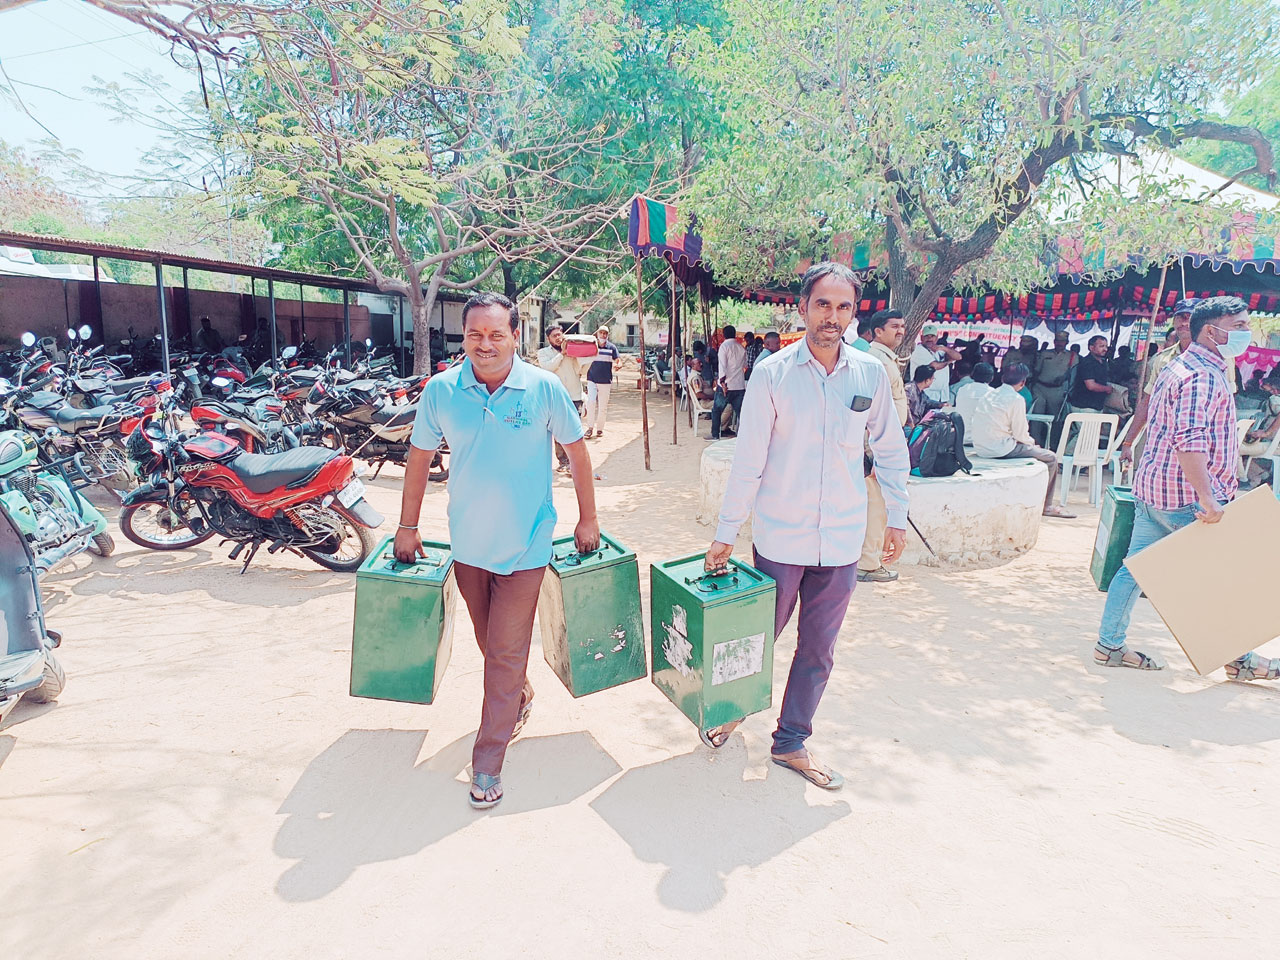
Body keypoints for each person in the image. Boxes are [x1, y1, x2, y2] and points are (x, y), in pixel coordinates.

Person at [702, 262, 910, 788]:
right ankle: (729, 707)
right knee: (756, 635)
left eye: (843, 307)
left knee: (818, 648)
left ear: (854, 313)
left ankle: (791, 741)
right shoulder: (772, 374)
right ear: (803, 307)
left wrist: (898, 517)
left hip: (841, 538)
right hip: (781, 535)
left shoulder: (868, 374)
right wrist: (727, 532)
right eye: (823, 304)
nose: (832, 317)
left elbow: (888, 447)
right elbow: (748, 460)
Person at [393, 292, 601, 809]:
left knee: (505, 652)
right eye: (475, 335)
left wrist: (588, 517)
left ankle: (487, 761)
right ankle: (519, 694)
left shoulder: (544, 387)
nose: (485, 345)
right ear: (463, 337)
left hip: (527, 547)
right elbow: (419, 458)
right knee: (493, 649)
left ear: (516, 336)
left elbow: (576, 454)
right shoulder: (442, 390)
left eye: (497, 334)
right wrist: (407, 526)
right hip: (469, 547)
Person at [1094, 296, 1276, 679]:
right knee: (1217, 575)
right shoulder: (1203, 376)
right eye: (1240, 326)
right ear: (1212, 331)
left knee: (1135, 568)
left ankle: (1109, 644)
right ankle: (1240, 659)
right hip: (1188, 499)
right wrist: (1209, 499)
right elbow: (1190, 442)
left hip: (1155, 489)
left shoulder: (1180, 366)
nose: (1246, 333)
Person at [970, 363, 1076, 518]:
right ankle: (1047, 506)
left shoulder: (990, 394)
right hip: (1000, 449)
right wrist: (1032, 444)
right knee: (1051, 458)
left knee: (1033, 450)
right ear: (1023, 383)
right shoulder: (1016, 399)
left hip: (981, 447)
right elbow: (1021, 434)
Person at [859, 308, 909, 583]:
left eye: (902, 326)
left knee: (877, 505)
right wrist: (875, 454)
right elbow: (868, 413)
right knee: (876, 507)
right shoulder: (874, 361)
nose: (900, 330)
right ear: (878, 331)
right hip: (875, 447)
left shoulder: (885, 359)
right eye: (894, 326)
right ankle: (867, 564)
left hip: (883, 445)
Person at [1121, 300, 1196, 467]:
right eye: (1180, 317)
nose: (1184, 323)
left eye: (1190, 317)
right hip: (1161, 438)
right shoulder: (1163, 359)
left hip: (1197, 443)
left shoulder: (1216, 356)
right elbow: (1147, 401)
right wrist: (1128, 443)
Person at [537, 324, 586, 473]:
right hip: (555, 397)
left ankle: (574, 462)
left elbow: (580, 370)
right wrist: (562, 354)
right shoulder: (544, 353)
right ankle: (563, 461)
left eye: (560, 334)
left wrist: (582, 355)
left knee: (575, 429)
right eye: (554, 336)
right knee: (558, 431)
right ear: (548, 338)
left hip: (575, 395)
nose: (558, 338)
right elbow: (548, 368)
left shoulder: (571, 351)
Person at [909, 324, 962, 404]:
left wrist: (944, 348)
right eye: (926, 336)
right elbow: (935, 366)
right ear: (922, 338)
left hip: (942, 395)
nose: (929, 339)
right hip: (925, 395)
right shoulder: (918, 350)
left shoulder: (939, 348)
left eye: (932, 336)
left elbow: (958, 357)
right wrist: (949, 361)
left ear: (937, 338)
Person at [710, 325, 747, 440]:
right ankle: (744, 436)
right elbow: (745, 365)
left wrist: (722, 383)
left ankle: (715, 435)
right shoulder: (741, 347)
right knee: (741, 413)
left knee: (716, 410)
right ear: (734, 334)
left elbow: (722, 367)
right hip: (739, 385)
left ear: (724, 335)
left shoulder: (724, 347)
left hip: (726, 385)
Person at [583, 325, 619, 439]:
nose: (603, 335)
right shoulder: (592, 346)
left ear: (607, 335)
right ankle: (589, 428)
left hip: (605, 381)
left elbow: (618, 360)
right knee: (591, 402)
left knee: (603, 406)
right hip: (592, 378)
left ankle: (599, 429)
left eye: (605, 333)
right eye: (601, 333)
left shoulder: (612, 348)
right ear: (597, 334)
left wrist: (619, 365)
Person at [1031, 330, 1073, 418]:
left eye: (1062, 341)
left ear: (1067, 342)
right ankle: (1035, 432)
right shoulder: (1045, 353)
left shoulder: (1072, 356)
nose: (1059, 343)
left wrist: (1064, 378)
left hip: (1057, 390)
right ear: (1054, 342)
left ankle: (1053, 432)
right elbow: (1036, 370)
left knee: (1054, 418)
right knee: (1036, 416)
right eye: (1057, 341)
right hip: (1040, 388)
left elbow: (1073, 373)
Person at [1067, 335, 1111, 411]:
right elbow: (1091, 385)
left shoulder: (1103, 363)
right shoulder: (1087, 363)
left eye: (1106, 346)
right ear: (1091, 348)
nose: (1105, 349)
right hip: (1084, 407)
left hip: (1096, 405)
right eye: (1101, 346)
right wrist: (1107, 389)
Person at [953, 361, 994, 439]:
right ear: (992, 378)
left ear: (972, 375)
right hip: (984, 440)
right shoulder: (993, 394)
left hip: (961, 437)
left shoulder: (962, 390)